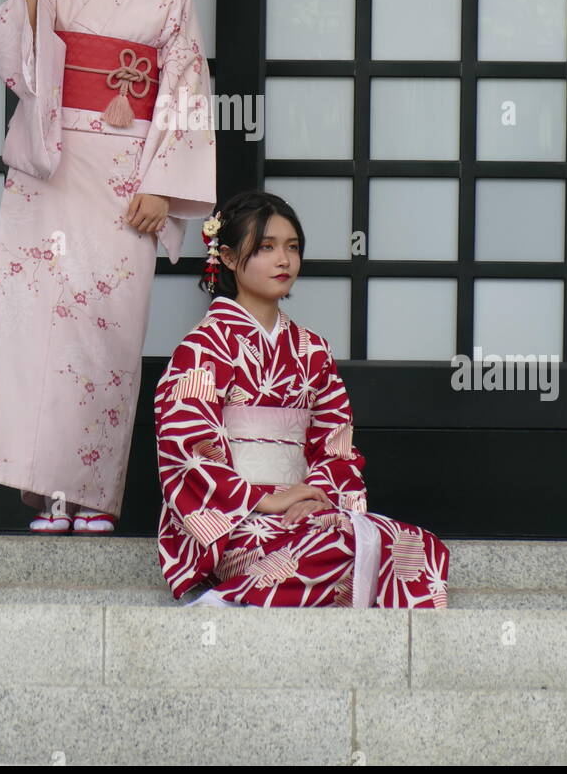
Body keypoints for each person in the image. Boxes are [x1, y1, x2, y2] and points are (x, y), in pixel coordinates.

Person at [0, 0, 216, 535]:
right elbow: (11, 60)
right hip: (53, 164)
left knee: (108, 333)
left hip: (126, 173)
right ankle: (47, 489)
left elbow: (186, 86)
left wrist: (164, 187)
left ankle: (93, 491)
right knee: (39, 328)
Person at [154, 190, 450, 606]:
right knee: (333, 550)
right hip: (237, 518)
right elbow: (185, 444)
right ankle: (229, 596)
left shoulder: (312, 349)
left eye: (292, 248)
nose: (284, 260)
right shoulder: (204, 346)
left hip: (301, 508)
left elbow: (336, 443)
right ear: (228, 257)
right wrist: (265, 500)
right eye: (266, 248)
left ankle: (247, 596)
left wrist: (315, 496)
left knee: (417, 547)